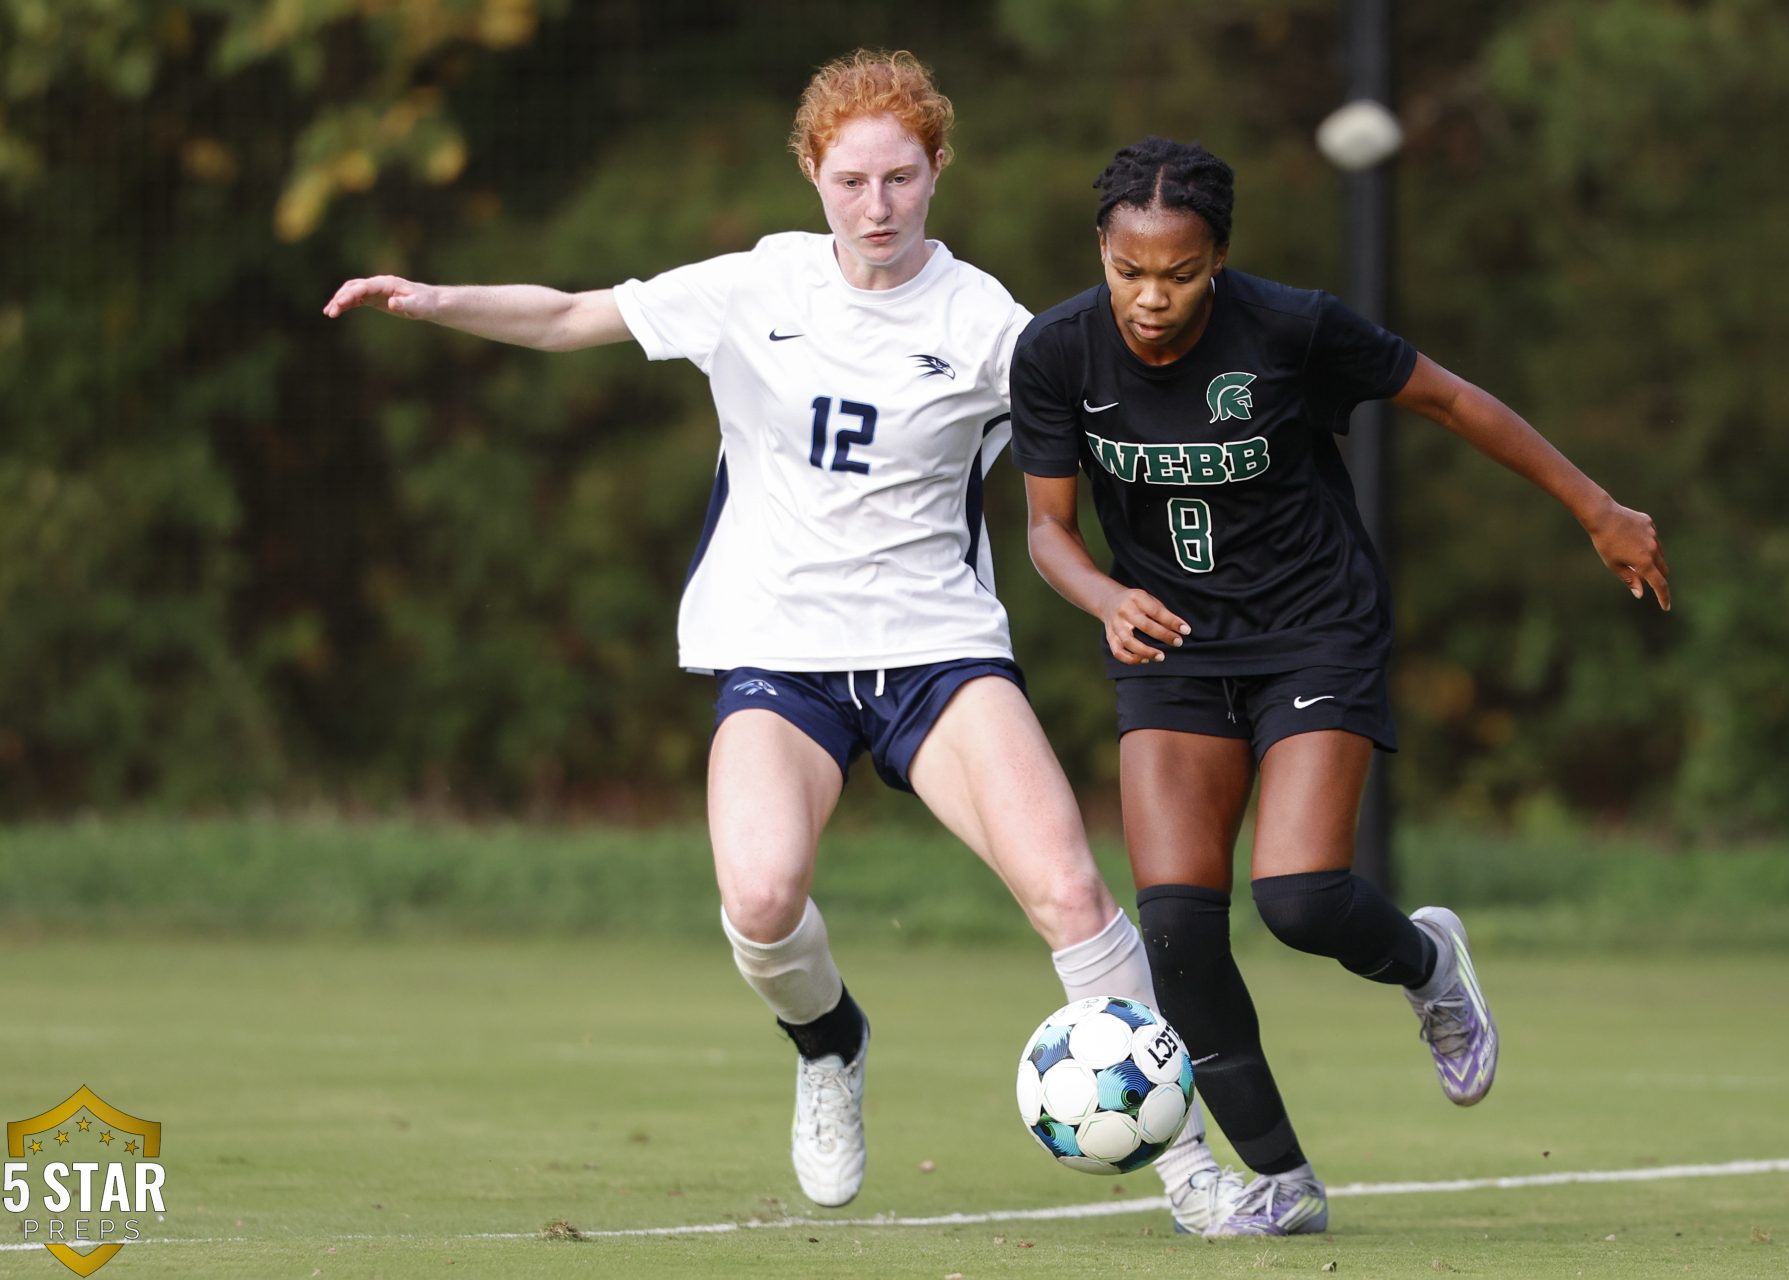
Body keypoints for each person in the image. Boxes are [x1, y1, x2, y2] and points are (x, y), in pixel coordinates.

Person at [323, 57, 1249, 1230]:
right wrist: (438, 298)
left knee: (1069, 888)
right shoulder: (752, 284)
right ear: (812, 172)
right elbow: (569, 315)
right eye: (852, 178)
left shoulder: (990, 325)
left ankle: (1191, 1166)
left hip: (937, 652)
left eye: (902, 177)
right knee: (761, 896)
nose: (878, 205)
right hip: (779, 649)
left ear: (936, 173)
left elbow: (1121, 426)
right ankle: (831, 1045)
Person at [1009, 136, 1670, 1236]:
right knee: (1178, 936)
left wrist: (1597, 507)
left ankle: (1429, 961)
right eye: (1130, 271)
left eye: (1178, 272)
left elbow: (1455, 403)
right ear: (1102, 253)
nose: (1152, 298)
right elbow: (1045, 529)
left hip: (1315, 630)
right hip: (1171, 650)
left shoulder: (1293, 327)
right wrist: (1102, 599)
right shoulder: (1057, 352)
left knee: (1303, 898)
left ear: (1219, 258)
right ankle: (1280, 1180)